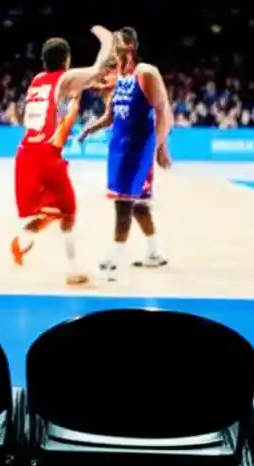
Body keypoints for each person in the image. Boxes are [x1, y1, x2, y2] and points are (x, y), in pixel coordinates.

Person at [10, 26, 116, 285]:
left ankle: (23, 240)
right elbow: (98, 69)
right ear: (66, 60)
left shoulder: (37, 81)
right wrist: (107, 40)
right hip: (46, 154)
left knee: (52, 210)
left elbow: (69, 89)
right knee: (68, 211)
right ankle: (73, 270)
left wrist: (90, 84)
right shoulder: (64, 78)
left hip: (26, 154)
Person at [78, 27, 174, 282]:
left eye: (117, 43)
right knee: (138, 205)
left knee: (123, 203)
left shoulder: (146, 72)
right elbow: (110, 116)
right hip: (119, 147)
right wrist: (90, 128)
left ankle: (113, 260)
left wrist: (161, 147)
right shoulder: (121, 78)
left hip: (138, 148)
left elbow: (162, 110)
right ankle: (154, 253)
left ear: (130, 45)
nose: (113, 48)